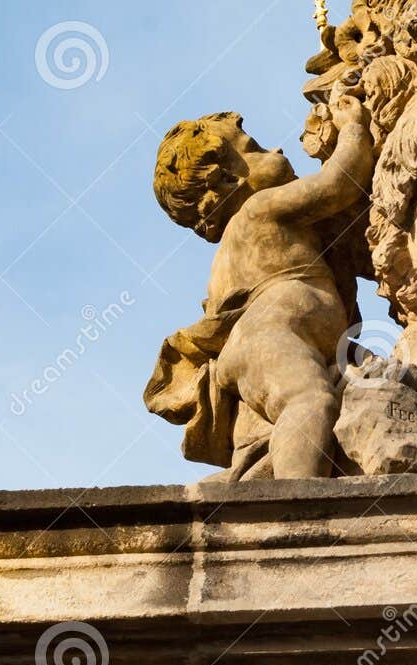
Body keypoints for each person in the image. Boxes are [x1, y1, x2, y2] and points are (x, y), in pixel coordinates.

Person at [144, 95, 373, 478]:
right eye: (256, 148)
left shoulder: (234, 249)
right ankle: (298, 512)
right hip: (270, 338)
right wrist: (352, 127)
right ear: (227, 178)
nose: (278, 148)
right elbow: (340, 184)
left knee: (295, 425)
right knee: (309, 400)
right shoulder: (259, 209)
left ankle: (261, 481)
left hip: (274, 345)